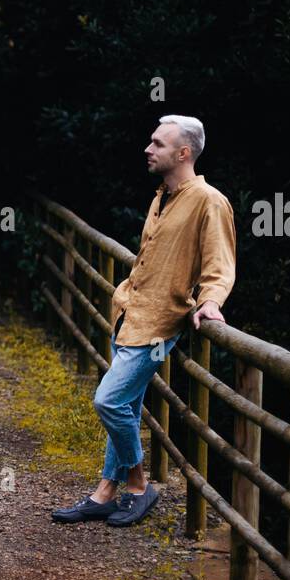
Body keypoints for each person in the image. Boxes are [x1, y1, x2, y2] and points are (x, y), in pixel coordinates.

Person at [53, 114, 236, 527]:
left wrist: (210, 302)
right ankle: (105, 492)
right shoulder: (162, 196)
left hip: (158, 325)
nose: (148, 149)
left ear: (183, 153)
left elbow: (220, 265)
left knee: (109, 401)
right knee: (128, 407)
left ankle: (138, 486)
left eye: (158, 144)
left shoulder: (209, 201)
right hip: (129, 313)